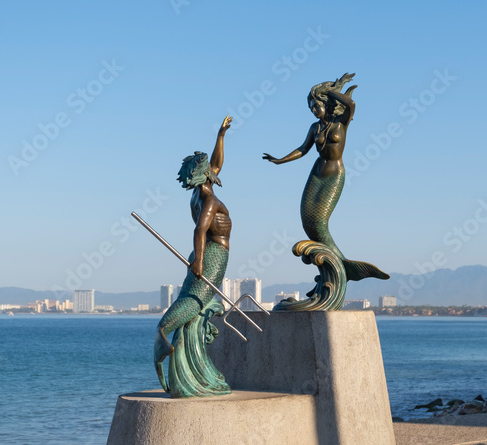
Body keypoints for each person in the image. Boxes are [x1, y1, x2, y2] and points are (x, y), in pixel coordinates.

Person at [262, 73, 388, 283]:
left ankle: (341, 265)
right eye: (310, 107)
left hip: (334, 175)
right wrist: (279, 160)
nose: (313, 110)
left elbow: (351, 104)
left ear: (325, 104)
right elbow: (303, 149)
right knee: (308, 222)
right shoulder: (315, 128)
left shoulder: (341, 123)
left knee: (319, 222)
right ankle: (337, 266)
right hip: (317, 173)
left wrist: (331, 91)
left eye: (315, 106)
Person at [153, 115, 233, 390]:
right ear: (204, 176)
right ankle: (163, 331)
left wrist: (220, 135)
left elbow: (216, 164)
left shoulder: (197, 194)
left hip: (202, 253)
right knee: (196, 301)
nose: (215, 171)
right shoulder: (210, 200)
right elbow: (200, 231)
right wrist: (199, 261)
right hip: (213, 254)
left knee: (193, 304)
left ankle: (179, 352)